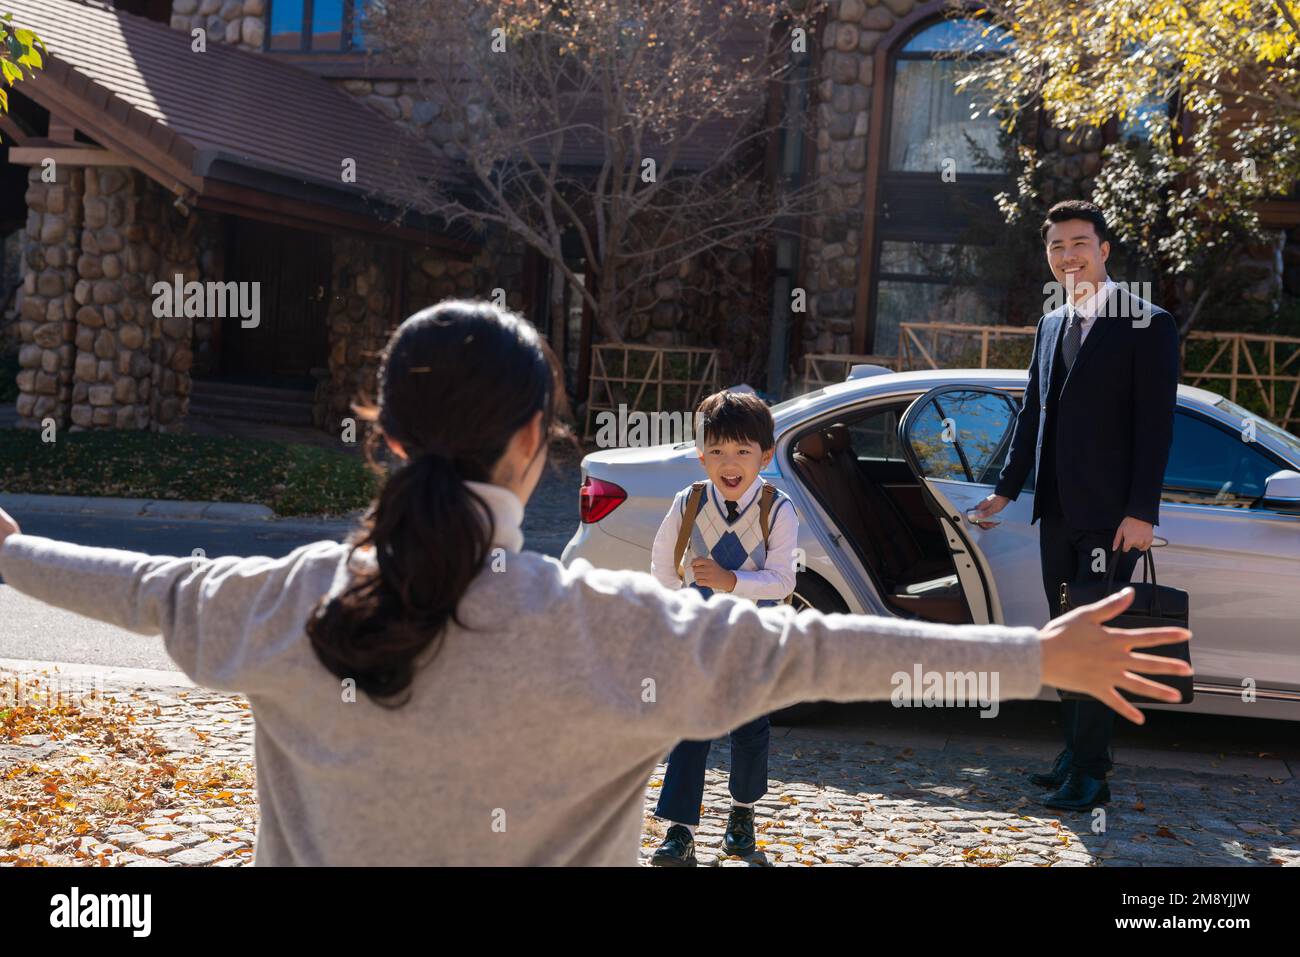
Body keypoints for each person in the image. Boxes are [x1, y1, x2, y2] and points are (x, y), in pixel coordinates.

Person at [0, 299, 1190, 865]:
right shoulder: (619, 631)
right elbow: (833, 654)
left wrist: (6, 552)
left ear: (390, 439)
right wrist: (1036, 659)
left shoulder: (284, 602)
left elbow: (144, 583)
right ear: (536, 444)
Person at [973, 200, 1181, 811]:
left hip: (1112, 519)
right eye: (1057, 247)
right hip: (1056, 513)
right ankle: (1072, 755)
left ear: (1104, 250)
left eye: (1080, 244)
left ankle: (1091, 774)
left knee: (1093, 640)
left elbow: (1156, 428)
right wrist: (1007, 490)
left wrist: (1142, 512)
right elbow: (1034, 415)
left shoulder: (1149, 323)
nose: (1069, 256)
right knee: (1065, 637)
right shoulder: (1050, 325)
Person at [647, 390, 798, 865]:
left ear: (765, 455)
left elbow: (783, 579)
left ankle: (742, 811)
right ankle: (679, 828)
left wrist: (733, 581)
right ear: (701, 454)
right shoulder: (689, 501)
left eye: (742, 451)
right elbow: (661, 563)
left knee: (749, 728)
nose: (728, 462)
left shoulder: (779, 508)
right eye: (716, 451)